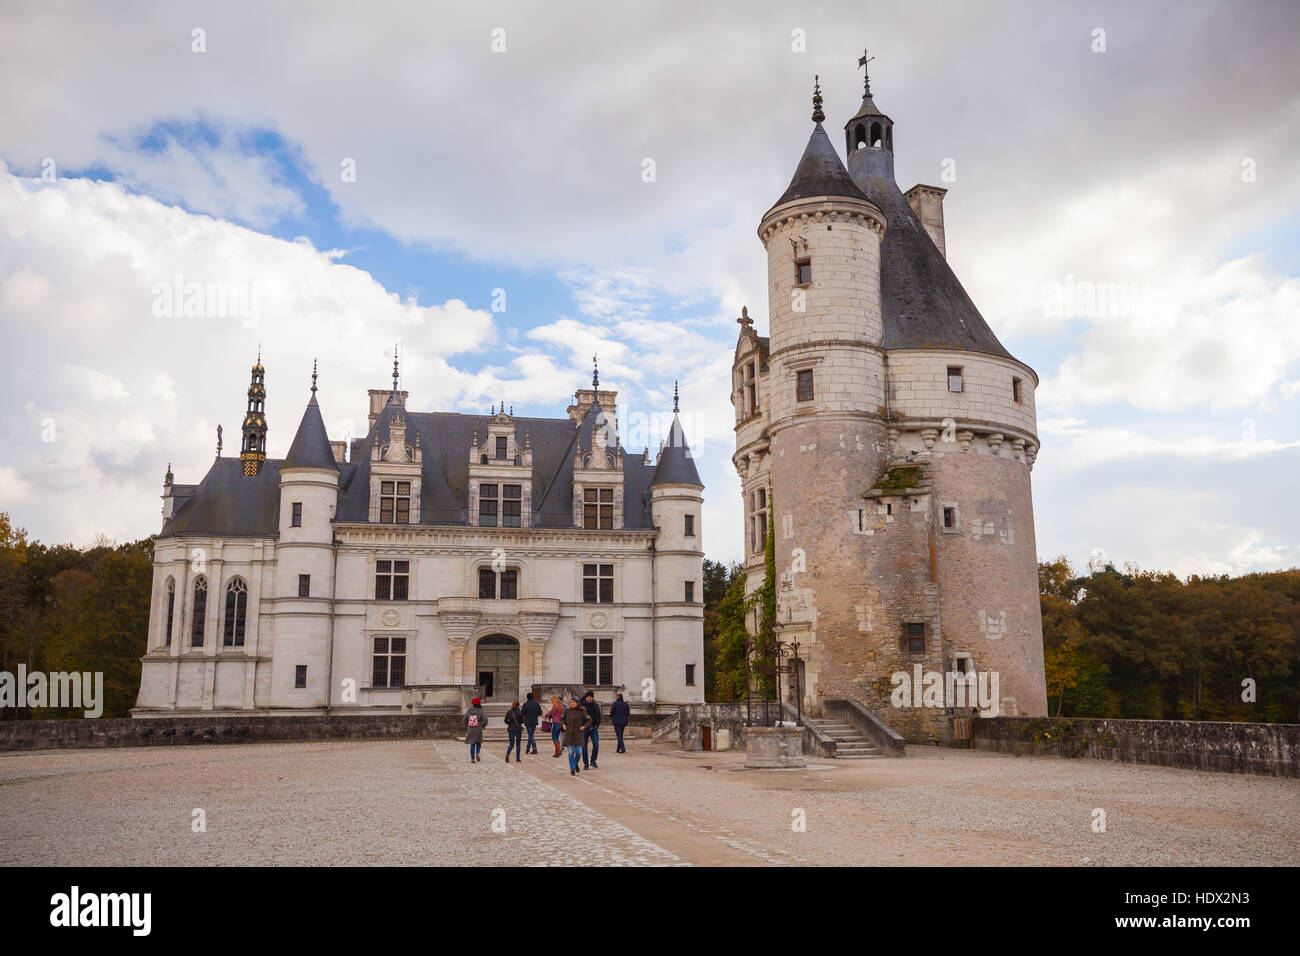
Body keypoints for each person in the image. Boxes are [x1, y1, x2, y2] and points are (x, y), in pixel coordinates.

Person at [561, 697, 591, 775]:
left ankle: (575, 763)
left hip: (578, 736)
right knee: (571, 752)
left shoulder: (582, 712)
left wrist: (584, 726)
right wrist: (563, 724)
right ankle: (572, 769)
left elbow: (589, 719)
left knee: (578, 752)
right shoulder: (567, 711)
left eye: (573, 702)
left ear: (577, 703)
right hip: (569, 736)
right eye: (571, 702)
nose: (572, 704)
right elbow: (561, 719)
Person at [581, 690, 602, 769]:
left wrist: (597, 725)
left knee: (596, 744)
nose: (589, 698)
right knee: (584, 746)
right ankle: (586, 763)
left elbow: (598, 715)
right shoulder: (582, 705)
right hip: (584, 728)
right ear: (586, 697)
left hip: (593, 728)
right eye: (588, 697)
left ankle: (593, 761)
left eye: (591, 697)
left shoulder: (595, 705)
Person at [464, 697, 485, 763]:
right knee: (479, 742)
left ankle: (472, 759)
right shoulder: (481, 710)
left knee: (472, 743)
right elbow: (485, 719)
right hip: (478, 728)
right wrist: (483, 725)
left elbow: (464, 719)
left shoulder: (469, 710)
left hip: (471, 728)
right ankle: (477, 753)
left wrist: (467, 726)